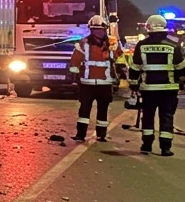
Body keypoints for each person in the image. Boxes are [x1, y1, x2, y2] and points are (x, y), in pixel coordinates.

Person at [128, 14, 185, 156]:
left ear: (149, 27)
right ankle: (165, 148)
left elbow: (135, 67)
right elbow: (181, 67)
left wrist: (134, 85)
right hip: (169, 89)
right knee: (166, 116)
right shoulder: (173, 45)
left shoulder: (142, 45)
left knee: (148, 115)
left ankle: (146, 145)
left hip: (148, 89)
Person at [69, 15, 122, 141]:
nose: (98, 32)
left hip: (95, 84)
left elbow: (74, 63)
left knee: (92, 110)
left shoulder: (88, 43)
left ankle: (88, 134)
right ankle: (92, 134)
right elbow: (75, 62)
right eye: (96, 29)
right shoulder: (107, 43)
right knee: (89, 111)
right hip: (95, 84)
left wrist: (75, 74)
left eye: (99, 29)